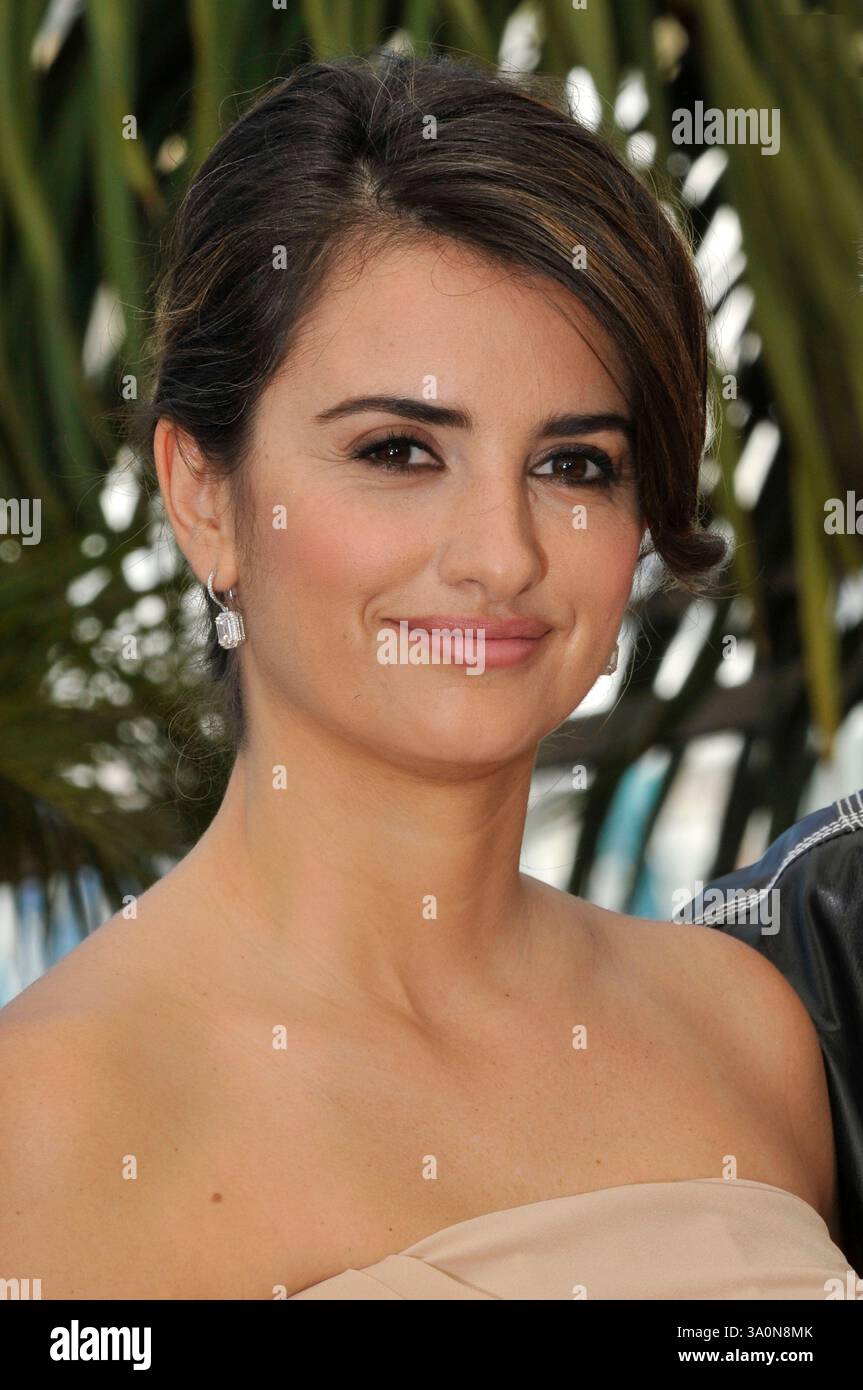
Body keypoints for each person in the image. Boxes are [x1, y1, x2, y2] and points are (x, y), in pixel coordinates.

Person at [0, 50, 856, 1300]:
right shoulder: (49, 1128)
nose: (500, 556)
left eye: (574, 466)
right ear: (204, 497)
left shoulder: (742, 1027)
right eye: (399, 450)